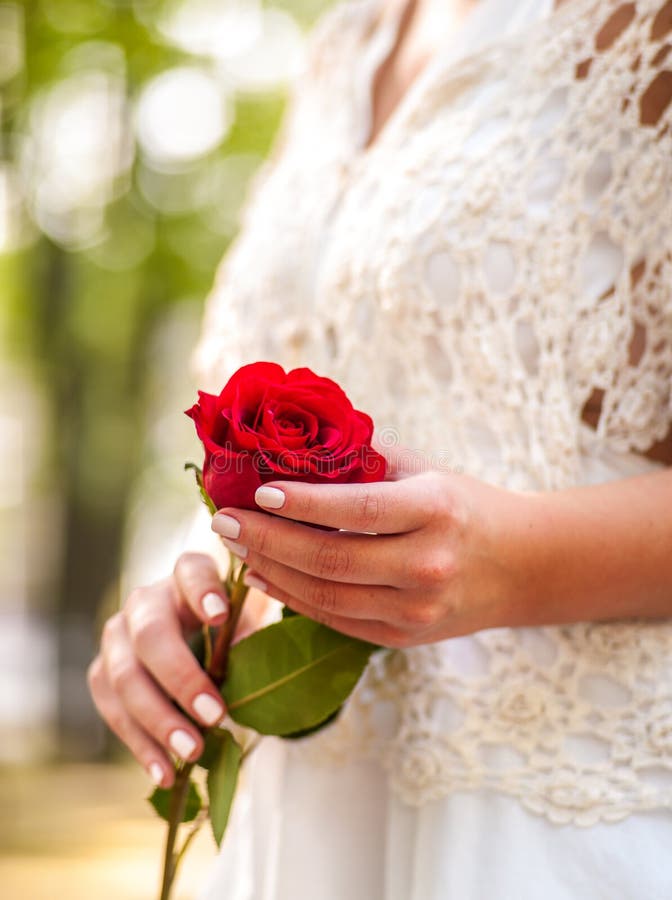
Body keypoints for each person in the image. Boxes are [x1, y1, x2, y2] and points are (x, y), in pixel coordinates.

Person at [88, 0, 672, 895]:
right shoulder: (346, 44)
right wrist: (199, 605)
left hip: (550, 816)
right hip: (313, 801)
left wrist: (519, 561)